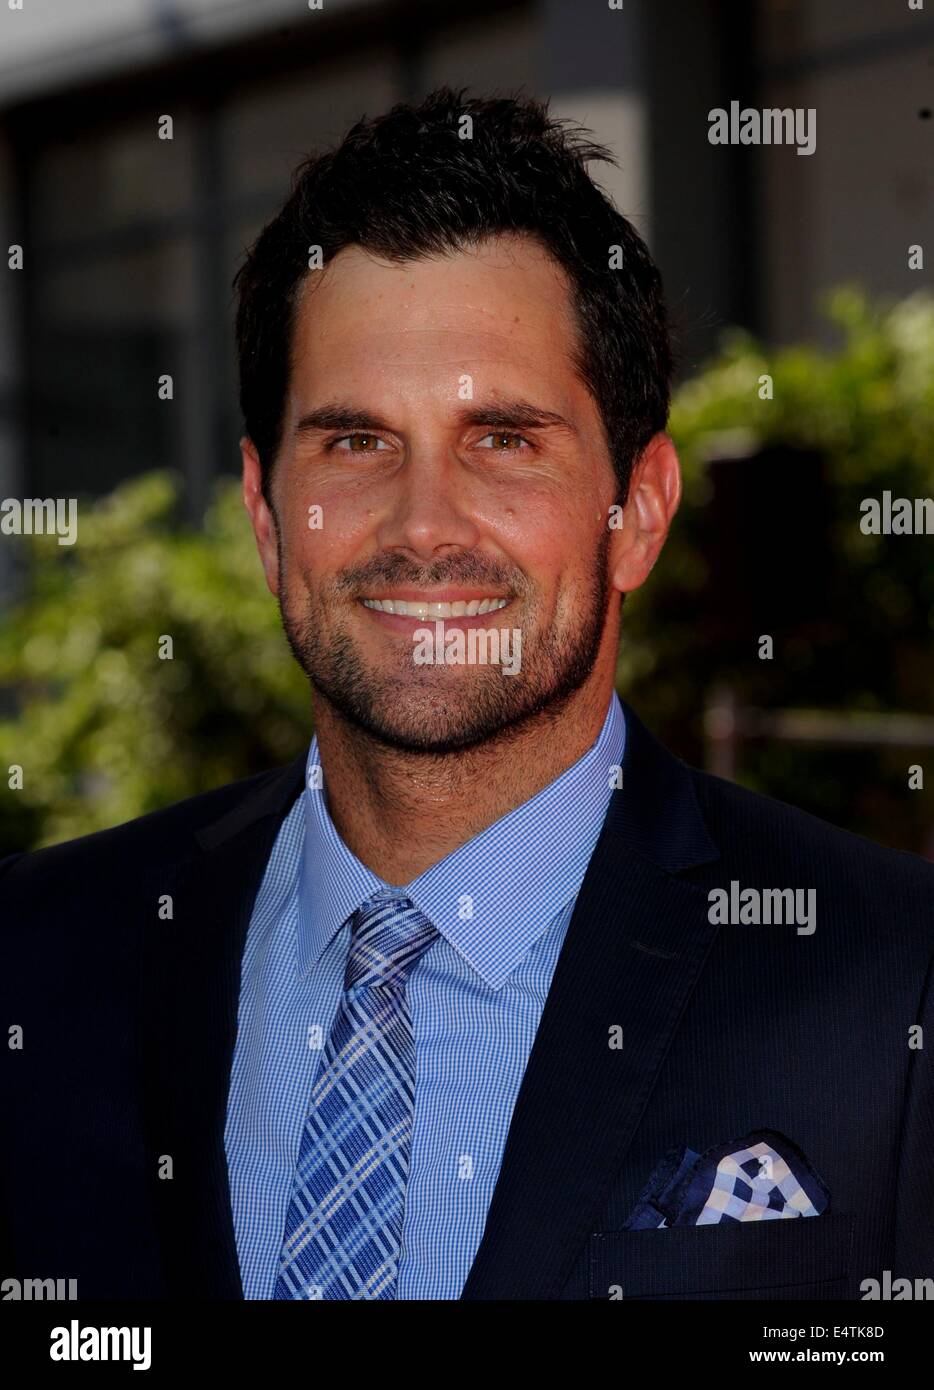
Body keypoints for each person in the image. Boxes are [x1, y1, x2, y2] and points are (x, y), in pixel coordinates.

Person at [2, 89, 932, 1302]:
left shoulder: (890, 978)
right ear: (264, 514)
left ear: (637, 510)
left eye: (503, 439)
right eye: (353, 441)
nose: (423, 525)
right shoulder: (37, 957)